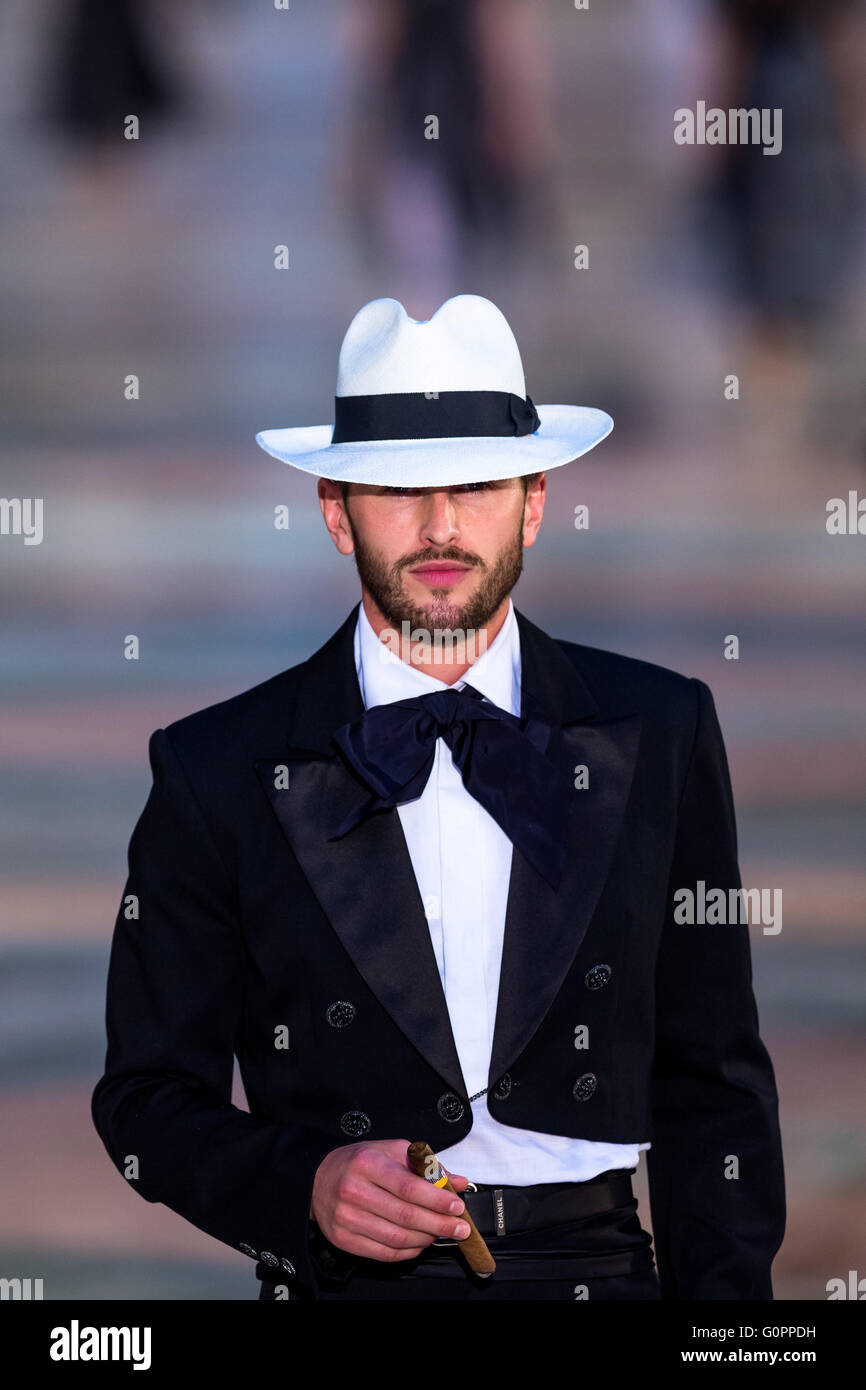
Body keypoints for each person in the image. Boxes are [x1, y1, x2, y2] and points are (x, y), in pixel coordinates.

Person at [91, 294, 785, 1301]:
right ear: (335, 512)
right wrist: (305, 1184)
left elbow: (712, 1081)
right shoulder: (218, 770)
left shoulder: (659, 731)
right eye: (396, 490)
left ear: (534, 501)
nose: (440, 526)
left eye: (474, 485)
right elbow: (145, 1100)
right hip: (346, 1285)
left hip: (597, 1270)